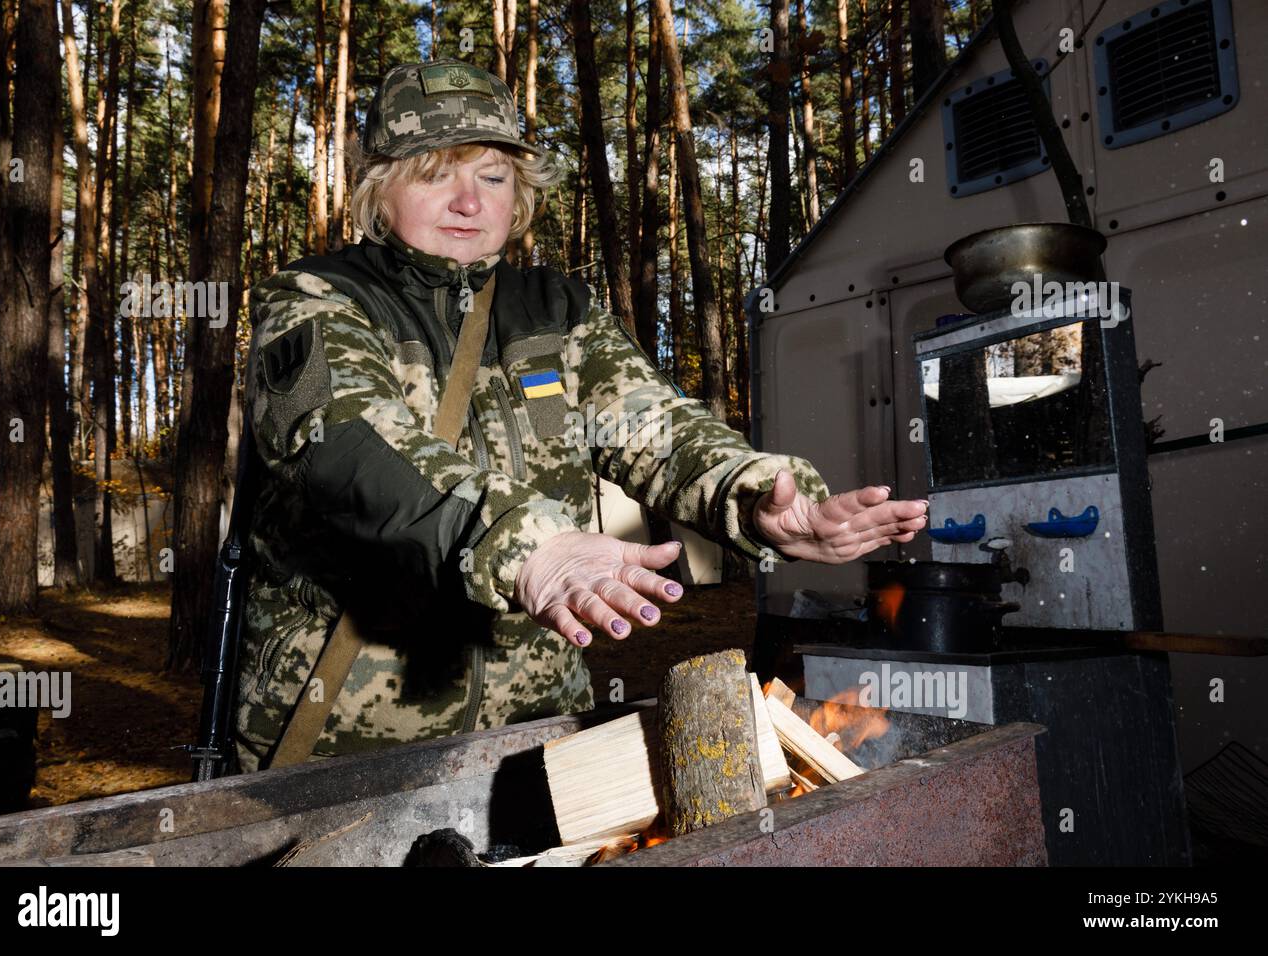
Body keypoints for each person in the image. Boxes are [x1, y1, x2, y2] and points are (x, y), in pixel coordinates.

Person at [233, 58, 928, 772]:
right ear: (381, 190)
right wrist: (528, 543)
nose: (470, 202)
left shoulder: (554, 311)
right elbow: (347, 447)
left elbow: (653, 425)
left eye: (493, 178)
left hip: (535, 739)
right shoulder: (315, 299)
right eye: (437, 173)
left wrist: (754, 495)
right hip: (341, 746)